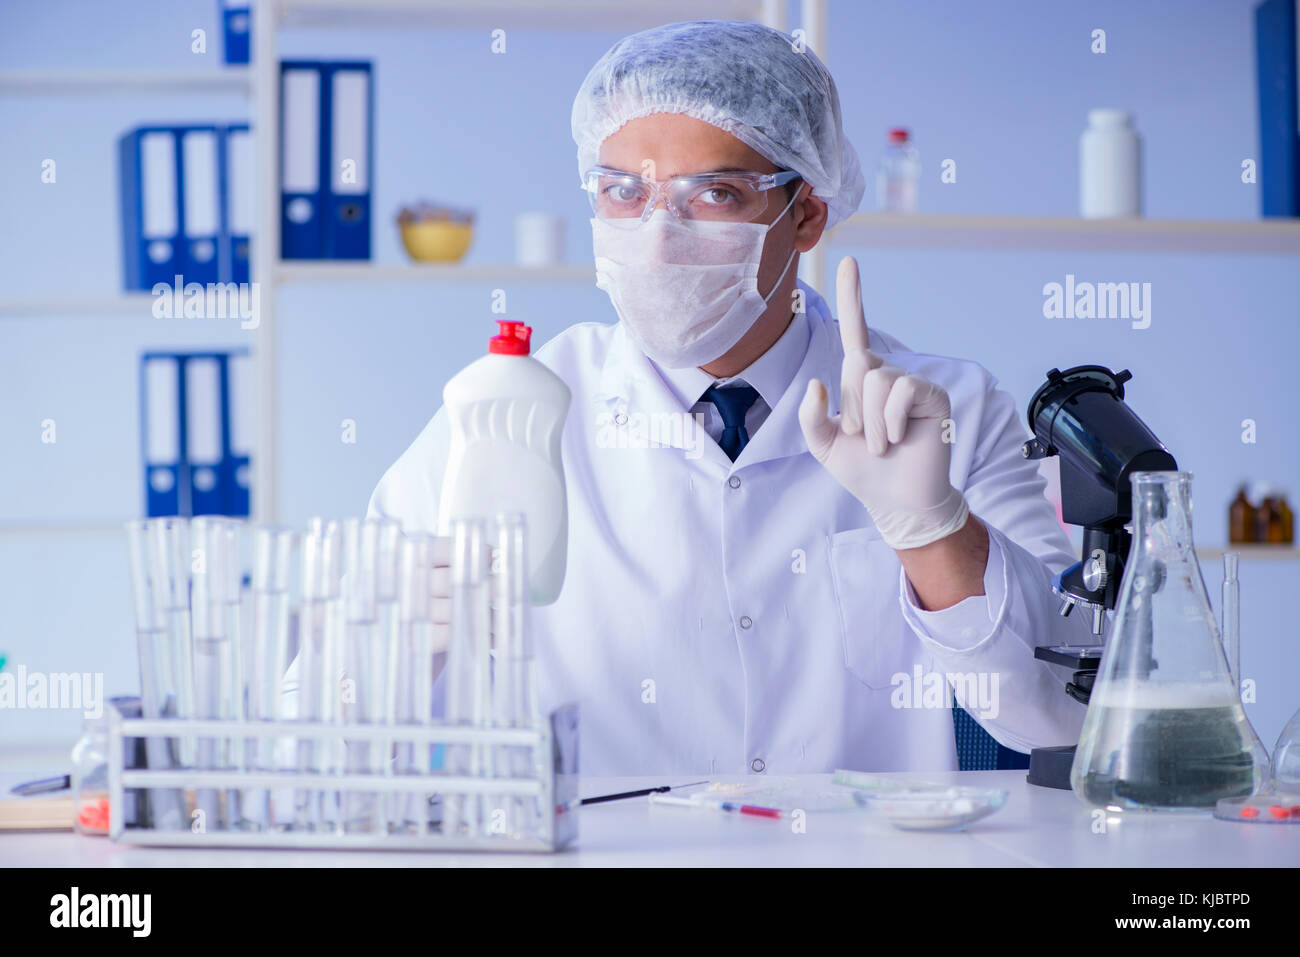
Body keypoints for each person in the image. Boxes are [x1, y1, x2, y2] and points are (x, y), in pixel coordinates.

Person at [368, 19, 1098, 776]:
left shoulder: (947, 407)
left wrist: (932, 531)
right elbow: (315, 714)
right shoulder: (513, 411)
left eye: (713, 193)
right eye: (624, 191)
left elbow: (1055, 717)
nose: (656, 238)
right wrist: (399, 649)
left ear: (807, 213)